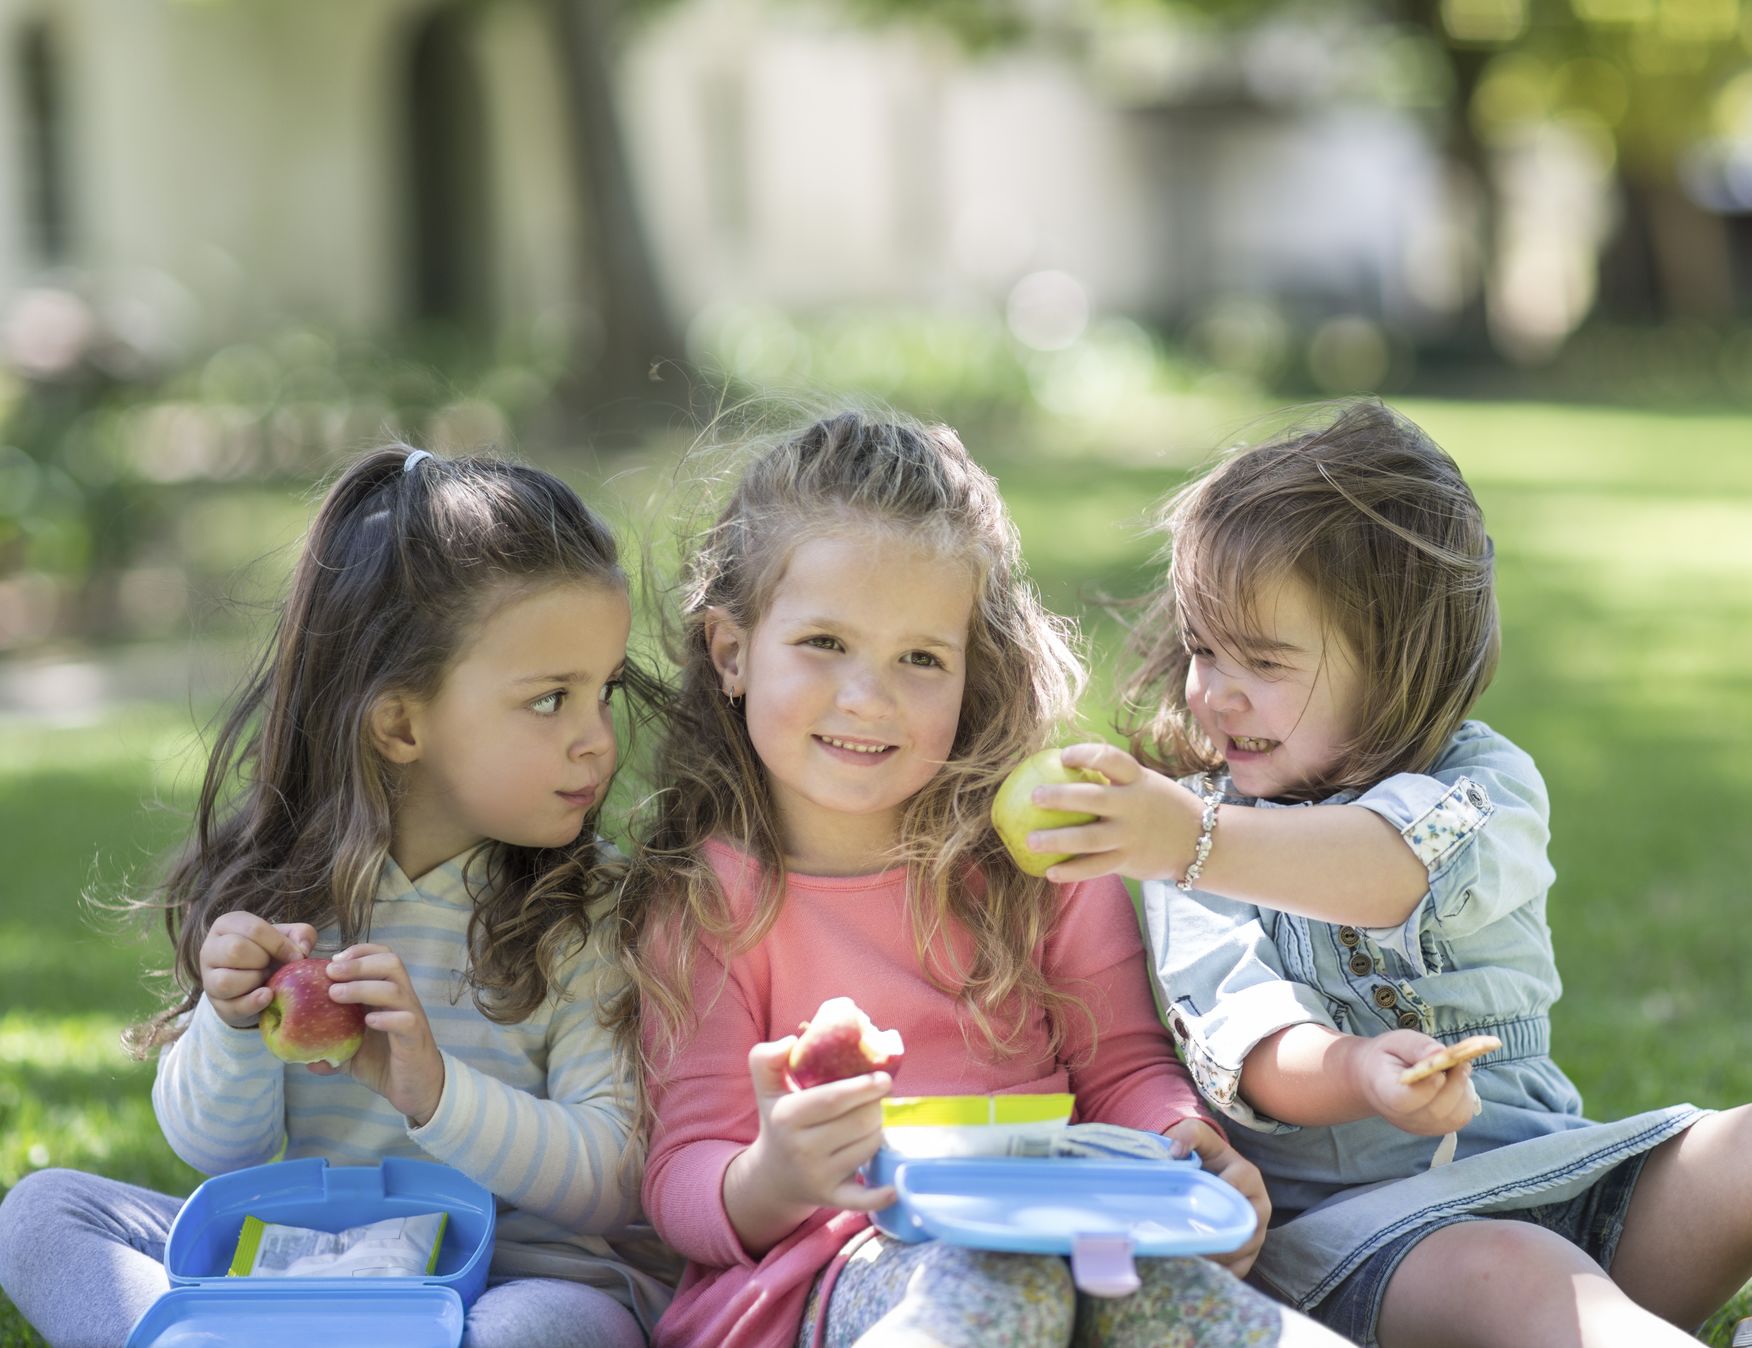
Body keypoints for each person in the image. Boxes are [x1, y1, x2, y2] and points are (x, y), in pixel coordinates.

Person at [609, 411, 1353, 1348]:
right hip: (834, 1267)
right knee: (1003, 1289)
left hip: (1072, 1229)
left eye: (921, 658)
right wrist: (775, 1174)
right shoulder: (712, 901)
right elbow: (681, 1174)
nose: (867, 697)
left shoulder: (1038, 862)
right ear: (730, 652)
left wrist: (1185, 1147)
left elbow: (1122, 1065)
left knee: (1201, 1315)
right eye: (824, 643)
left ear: (973, 667)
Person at [1025, 399, 1749, 1347]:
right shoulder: (1190, 836)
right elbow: (1254, 1050)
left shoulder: (1481, 785)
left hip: (1561, 1179)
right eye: (1203, 648)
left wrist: (1191, 838)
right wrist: (1359, 1069)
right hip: (1368, 1248)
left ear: (1397, 665)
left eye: (1265, 660)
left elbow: (1392, 868)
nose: (1215, 688)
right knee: (1530, 1280)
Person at [0, 446, 675, 1347]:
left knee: (546, 1330)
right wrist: (232, 1026)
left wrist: (435, 1092)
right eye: (552, 700)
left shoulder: (590, 908)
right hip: (313, 1262)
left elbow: (610, 1176)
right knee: (43, 1213)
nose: (597, 739)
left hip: (515, 1278)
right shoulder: (281, 899)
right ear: (402, 723)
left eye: (605, 692)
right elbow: (215, 1151)